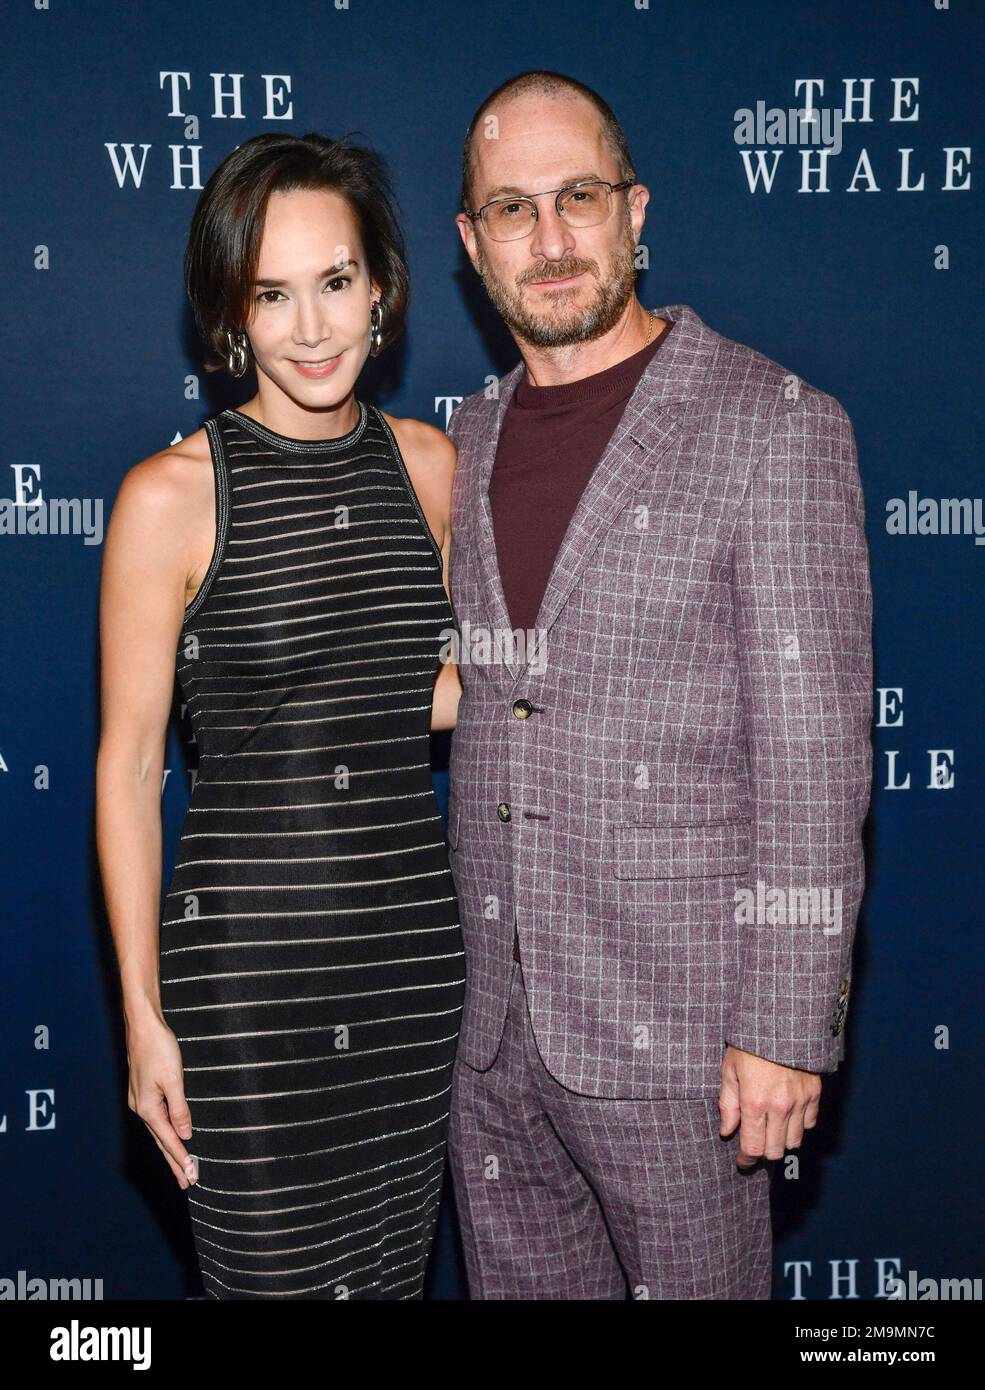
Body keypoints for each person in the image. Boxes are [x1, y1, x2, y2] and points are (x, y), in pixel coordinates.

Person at [443, 71, 873, 1299]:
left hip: (685, 1039)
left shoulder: (774, 423)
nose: (551, 238)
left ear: (635, 210)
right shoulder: (461, 442)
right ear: (473, 244)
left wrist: (785, 1024)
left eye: (577, 197)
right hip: (493, 1037)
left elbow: (816, 755)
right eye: (513, 209)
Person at [95, 132, 465, 1300]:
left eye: (336, 283)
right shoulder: (170, 497)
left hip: (411, 970)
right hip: (249, 982)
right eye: (271, 293)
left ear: (383, 290)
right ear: (230, 312)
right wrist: (145, 1020)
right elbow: (127, 769)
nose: (311, 329)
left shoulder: (429, 467)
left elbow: (430, 690)